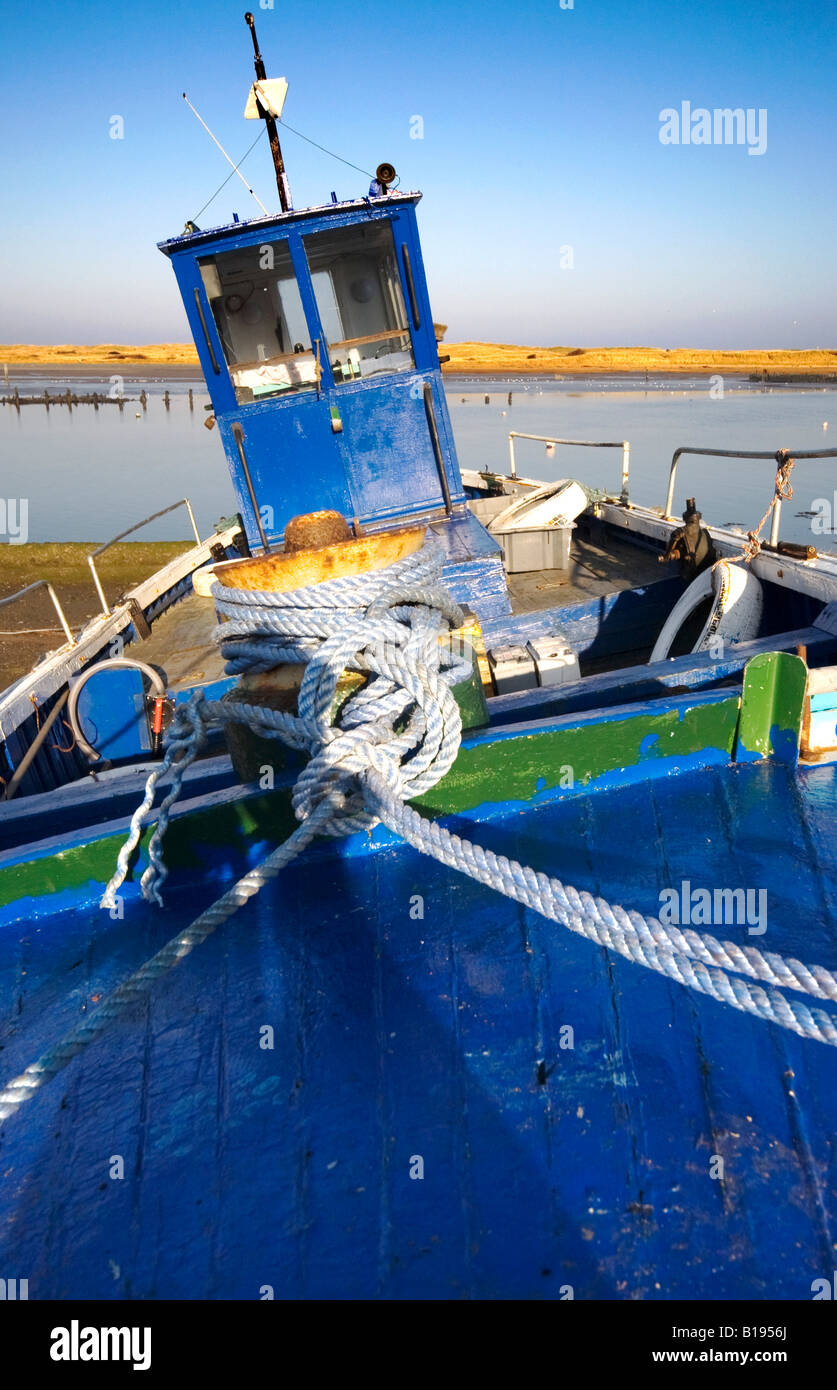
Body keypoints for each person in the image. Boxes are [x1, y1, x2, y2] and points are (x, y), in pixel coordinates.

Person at [659, 498, 716, 580]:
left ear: (685, 519)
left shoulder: (682, 532)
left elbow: (674, 538)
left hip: (693, 572)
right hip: (703, 572)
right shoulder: (705, 532)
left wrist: (666, 556)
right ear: (698, 518)